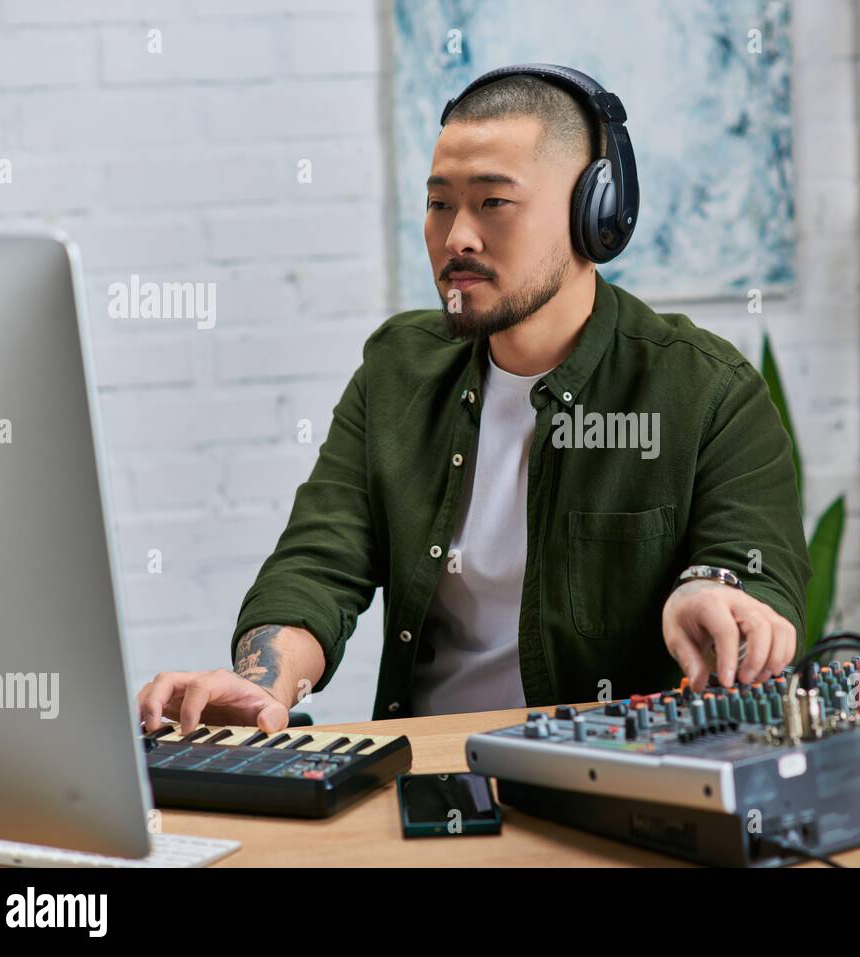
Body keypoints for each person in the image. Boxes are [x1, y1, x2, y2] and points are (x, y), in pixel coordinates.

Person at [137, 68, 810, 736]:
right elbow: (320, 563)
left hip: (610, 786)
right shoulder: (396, 369)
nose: (457, 235)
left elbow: (753, 566)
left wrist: (716, 595)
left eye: (493, 203)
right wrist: (261, 686)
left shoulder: (707, 391)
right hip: (425, 772)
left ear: (594, 216)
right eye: (439, 204)